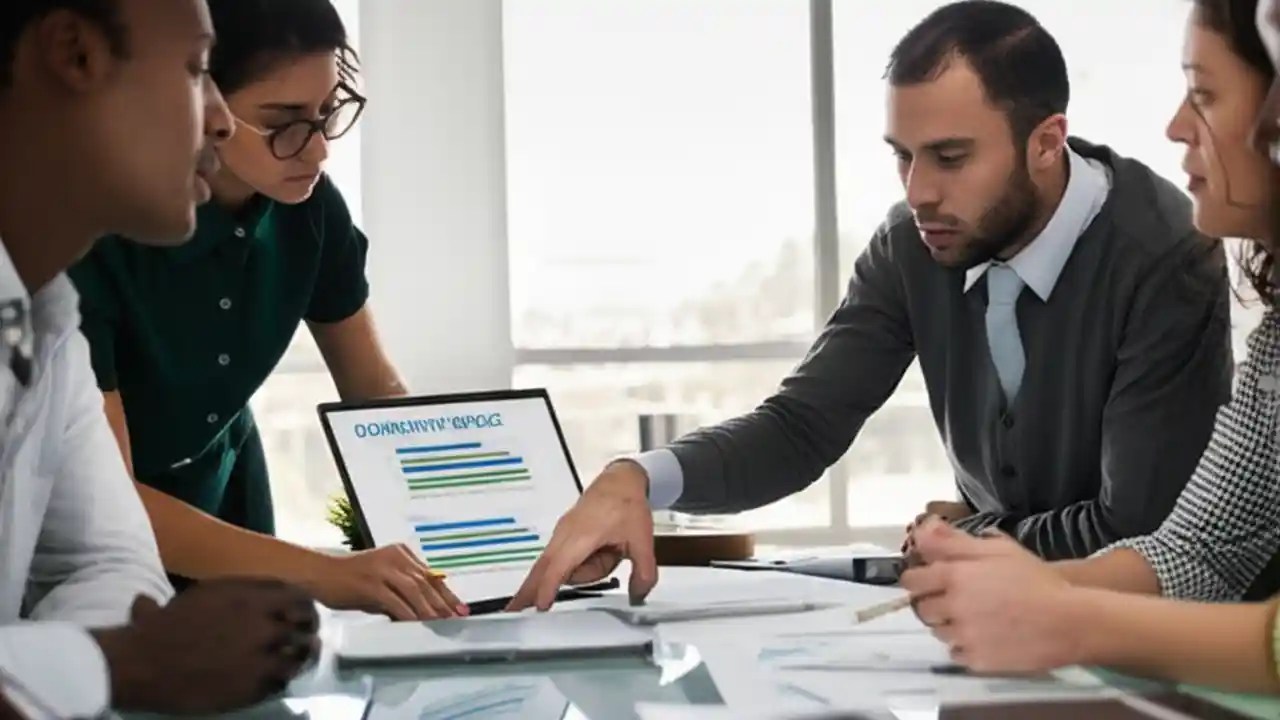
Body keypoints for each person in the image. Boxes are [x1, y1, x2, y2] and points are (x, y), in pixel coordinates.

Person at [508, 0, 1233, 611]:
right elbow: (800, 429)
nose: (918, 191)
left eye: (950, 159)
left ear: (1046, 143)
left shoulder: (1165, 256)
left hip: (1140, 645)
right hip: (987, 638)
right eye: (902, 155)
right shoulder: (914, 244)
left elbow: (1146, 533)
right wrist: (639, 475)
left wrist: (977, 534)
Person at [902, 0, 1280, 693]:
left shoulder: (1154, 247)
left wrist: (1068, 617)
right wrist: (1003, 582)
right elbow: (1197, 551)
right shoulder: (1278, 345)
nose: (1175, 126)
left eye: (1204, 94)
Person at [65, 0, 464, 622]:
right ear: (201, 103)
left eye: (327, 112)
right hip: (96, 533)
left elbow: (376, 395)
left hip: (228, 510)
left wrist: (482, 537)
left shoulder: (310, 210)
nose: (318, 150)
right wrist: (325, 572)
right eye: (283, 121)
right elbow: (105, 494)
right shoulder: (93, 237)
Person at [0, 0, 321, 716]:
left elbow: (110, 562)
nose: (218, 119)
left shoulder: (46, 317)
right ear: (75, 56)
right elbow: (131, 649)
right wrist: (115, 662)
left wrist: (74, 672)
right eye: (196, 69)